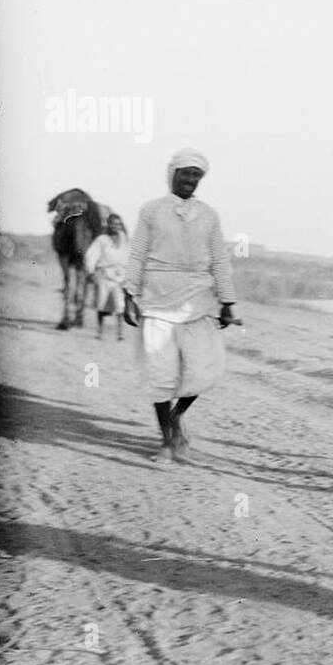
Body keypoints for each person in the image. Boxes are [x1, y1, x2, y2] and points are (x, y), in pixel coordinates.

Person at [122, 148, 241, 462]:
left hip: (198, 303)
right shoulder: (151, 211)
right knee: (160, 375)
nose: (190, 180)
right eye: (185, 173)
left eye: (196, 175)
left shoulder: (210, 215)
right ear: (171, 174)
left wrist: (227, 301)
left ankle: (176, 416)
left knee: (202, 370)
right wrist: (129, 295)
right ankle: (165, 440)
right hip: (157, 301)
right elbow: (136, 255)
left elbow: (220, 260)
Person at [83, 213, 130, 341]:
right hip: (104, 274)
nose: (116, 226)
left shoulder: (124, 237)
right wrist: (91, 271)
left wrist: (128, 273)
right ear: (108, 225)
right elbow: (91, 255)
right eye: (114, 224)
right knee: (101, 304)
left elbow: (128, 255)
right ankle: (100, 332)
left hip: (120, 275)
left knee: (120, 305)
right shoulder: (102, 239)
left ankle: (120, 333)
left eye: (119, 224)